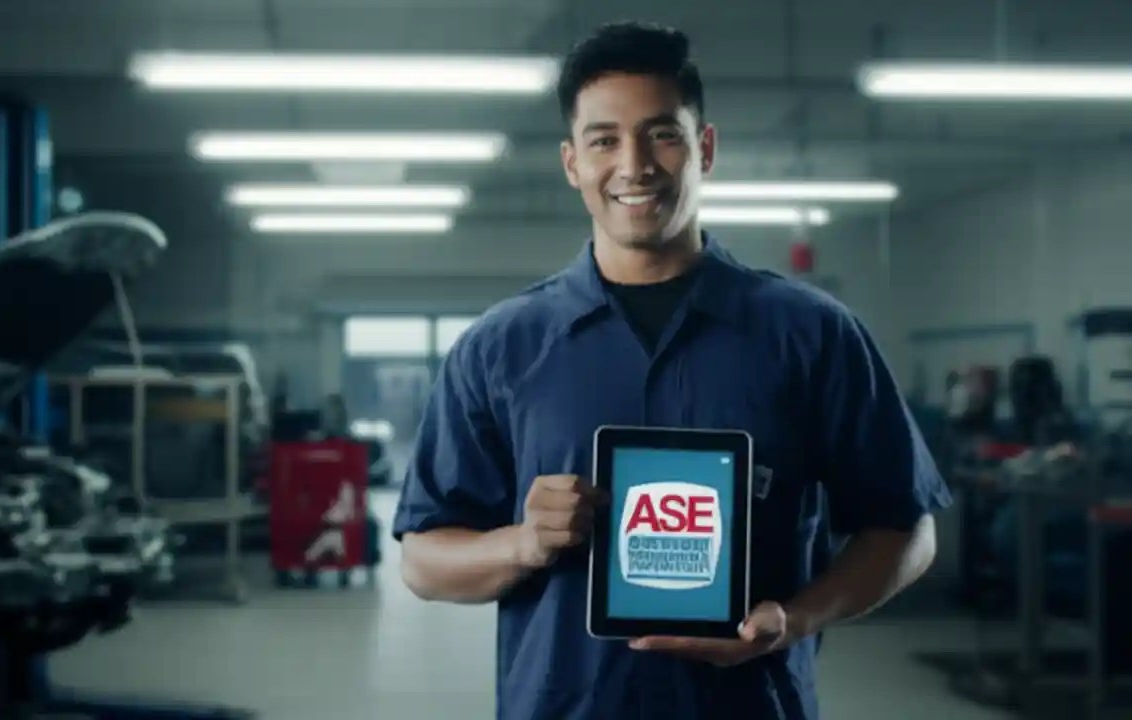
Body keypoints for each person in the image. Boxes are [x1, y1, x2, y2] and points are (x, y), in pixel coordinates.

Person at [392, 20, 952, 720]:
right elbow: (422, 559)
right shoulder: (502, 348)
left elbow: (906, 527)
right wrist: (524, 542)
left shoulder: (810, 335)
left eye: (662, 134)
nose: (634, 165)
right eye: (604, 140)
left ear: (704, 149)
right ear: (572, 163)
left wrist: (798, 617)